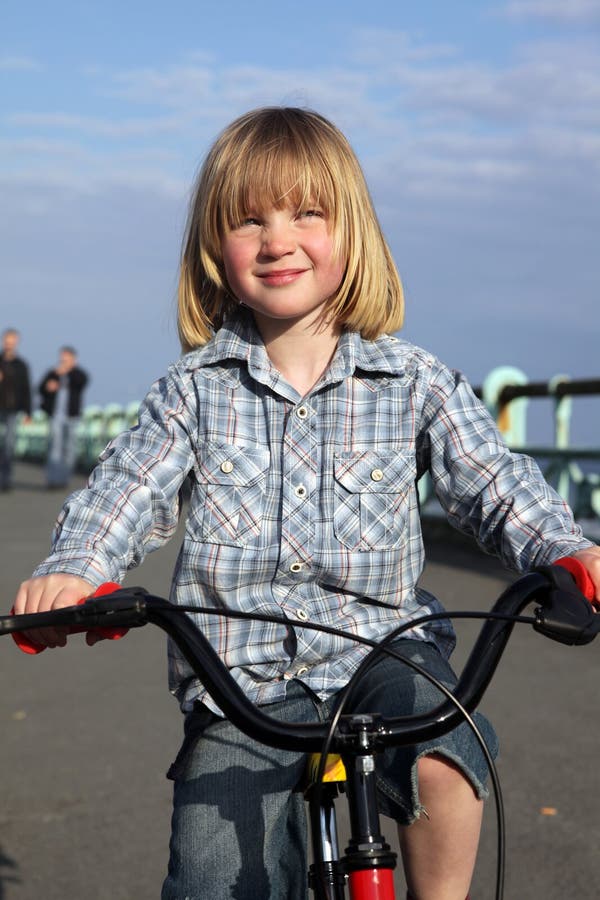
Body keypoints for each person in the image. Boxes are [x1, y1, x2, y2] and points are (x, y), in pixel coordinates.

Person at [13, 107, 600, 900]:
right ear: (214, 250)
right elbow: (125, 490)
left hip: (385, 652)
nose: (276, 239)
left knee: (449, 756)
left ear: (351, 232)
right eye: (247, 220)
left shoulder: (415, 382)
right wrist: (76, 572)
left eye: (306, 214)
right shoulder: (191, 393)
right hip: (241, 685)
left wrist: (567, 553)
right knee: (213, 872)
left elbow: (495, 485)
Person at [38, 346, 89, 489]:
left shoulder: (78, 374)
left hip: (72, 417)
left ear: (73, 360)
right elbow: (40, 388)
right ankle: (53, 479)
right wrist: (50, 384)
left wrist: (69, 371)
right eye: (62, 359)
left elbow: (82, 382)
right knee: (54, 447)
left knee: (69, 448)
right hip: (55, 416)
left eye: (66, 360)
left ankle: (64, 478)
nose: (63, 362)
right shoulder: (53, 373)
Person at [0, 328, 31, 491]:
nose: (9, 344)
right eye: (7, 341)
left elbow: (26, 389)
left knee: (9, 445)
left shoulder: (21, 365)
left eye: (12, 341)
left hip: (12, 409)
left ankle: (5, 479)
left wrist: (28, 411)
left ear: (16, 343)